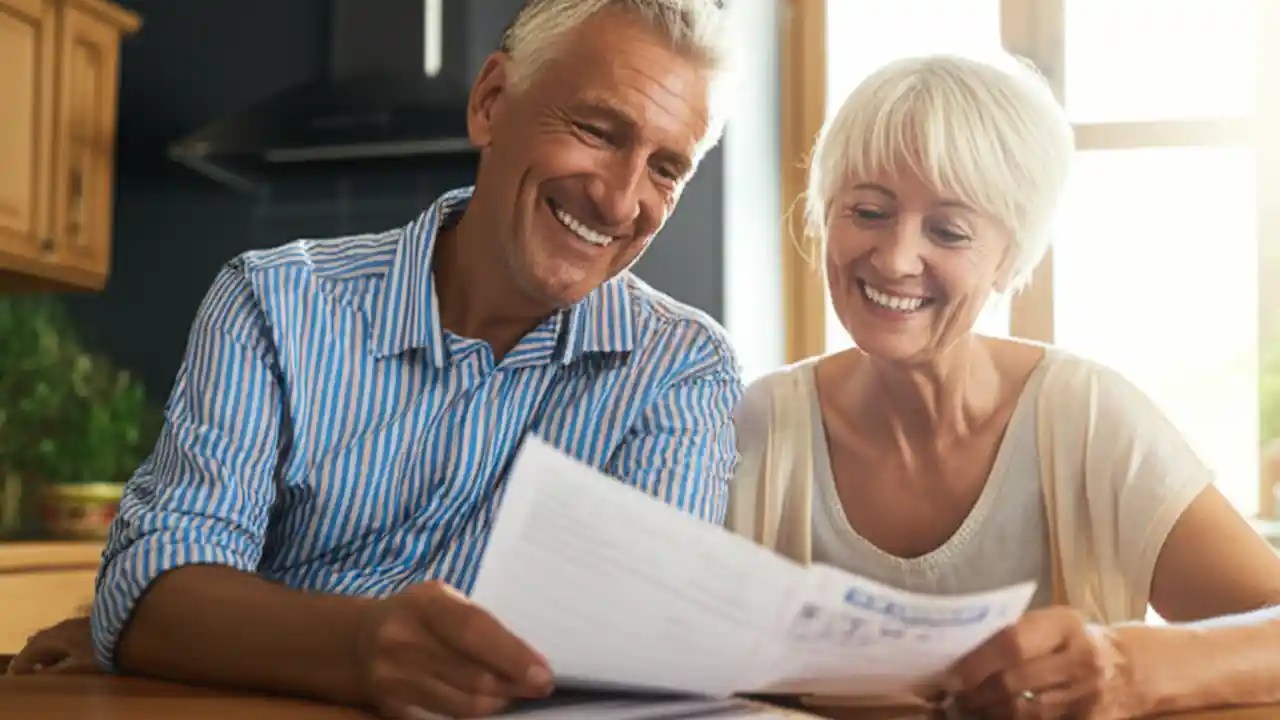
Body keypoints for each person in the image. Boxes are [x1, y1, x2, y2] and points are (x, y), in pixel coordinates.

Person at [10, 1, 741, 718]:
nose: (620, 202)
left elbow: (639, 655)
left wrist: (206, 633)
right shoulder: (272, 303)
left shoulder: (682, 369)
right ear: (491, 102)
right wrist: (353, 647)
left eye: (666, 169)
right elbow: (152, 590)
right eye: (596, 129)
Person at [728, 52, 1280, 719]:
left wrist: (1127, 669)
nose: (897, 258)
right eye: (868, 212)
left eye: (949, 230)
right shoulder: (755, 426)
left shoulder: (1084, 416)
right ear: (823, 218)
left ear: (1011, 258)